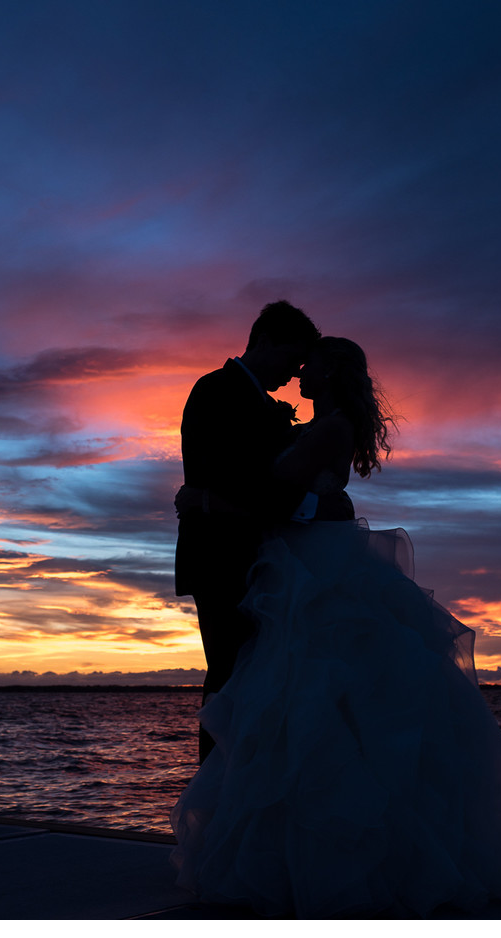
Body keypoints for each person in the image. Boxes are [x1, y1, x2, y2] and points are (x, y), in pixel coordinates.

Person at [171, 336, 501, 918]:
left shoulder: (330, 428)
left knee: (320, 703)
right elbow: (296, 497)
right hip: (304, 565)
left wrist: (207, 502)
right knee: (299, 705)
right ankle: (301, 850)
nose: (300, 369)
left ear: (330, 371)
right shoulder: (319, 424)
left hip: (319, 570)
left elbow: (283, 501)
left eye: (310, 362)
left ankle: (344, 855)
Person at [175, 300, 321, 762]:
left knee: (250, 676)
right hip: (221, 557)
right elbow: (239, 478)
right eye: (291, 358)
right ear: (263, 341)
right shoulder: (217, 390)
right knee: (228, 677)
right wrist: (317, 508)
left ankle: (239, 787)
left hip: (255, 557)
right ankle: (215, 795)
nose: (295, 373)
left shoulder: (255, 399)